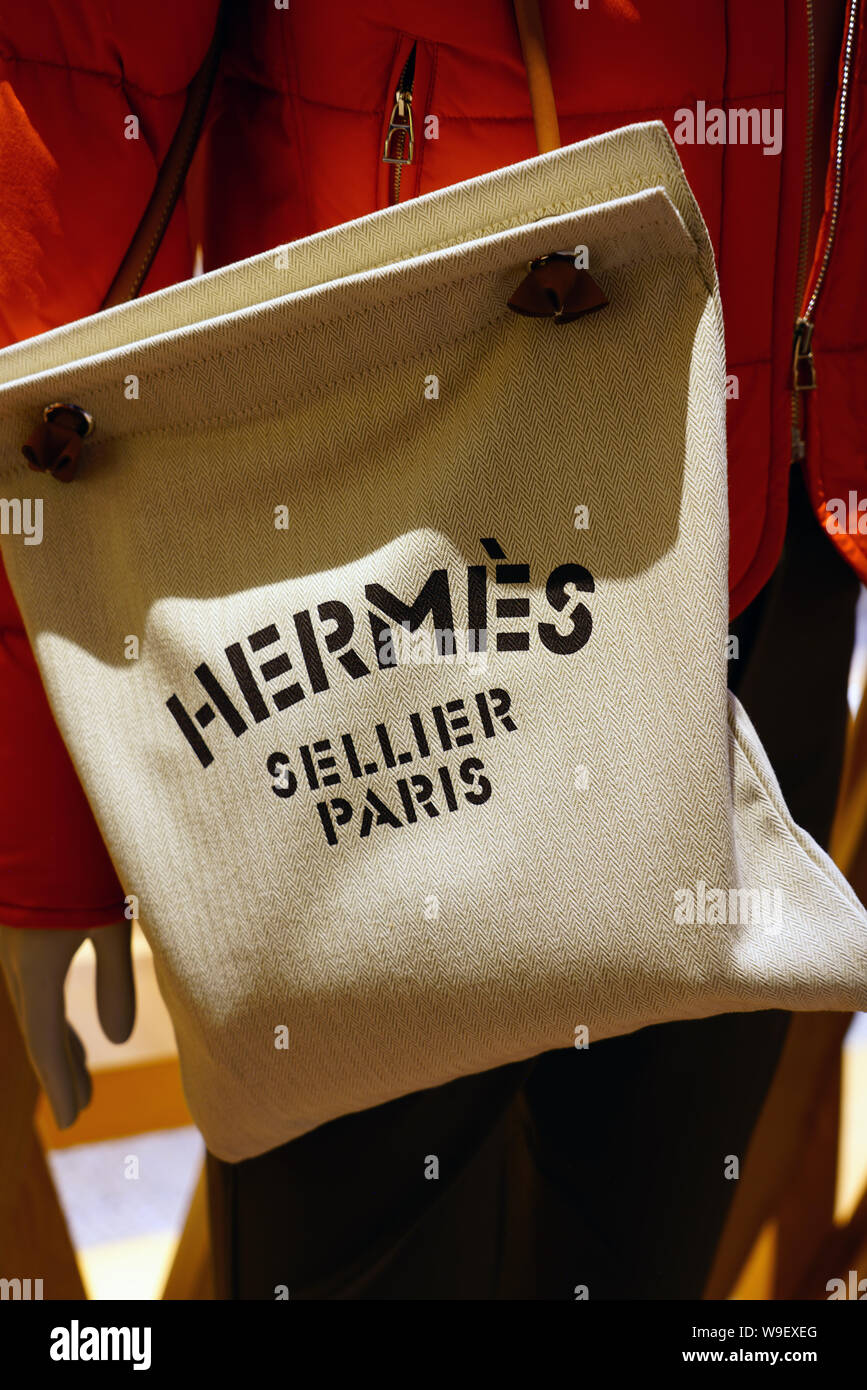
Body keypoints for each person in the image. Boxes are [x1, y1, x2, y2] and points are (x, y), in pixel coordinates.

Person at [0, 0, 862, 1298]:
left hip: (774, 538)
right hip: (386, 537)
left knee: (648, 1260)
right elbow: (76, 78)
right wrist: (41, 796)